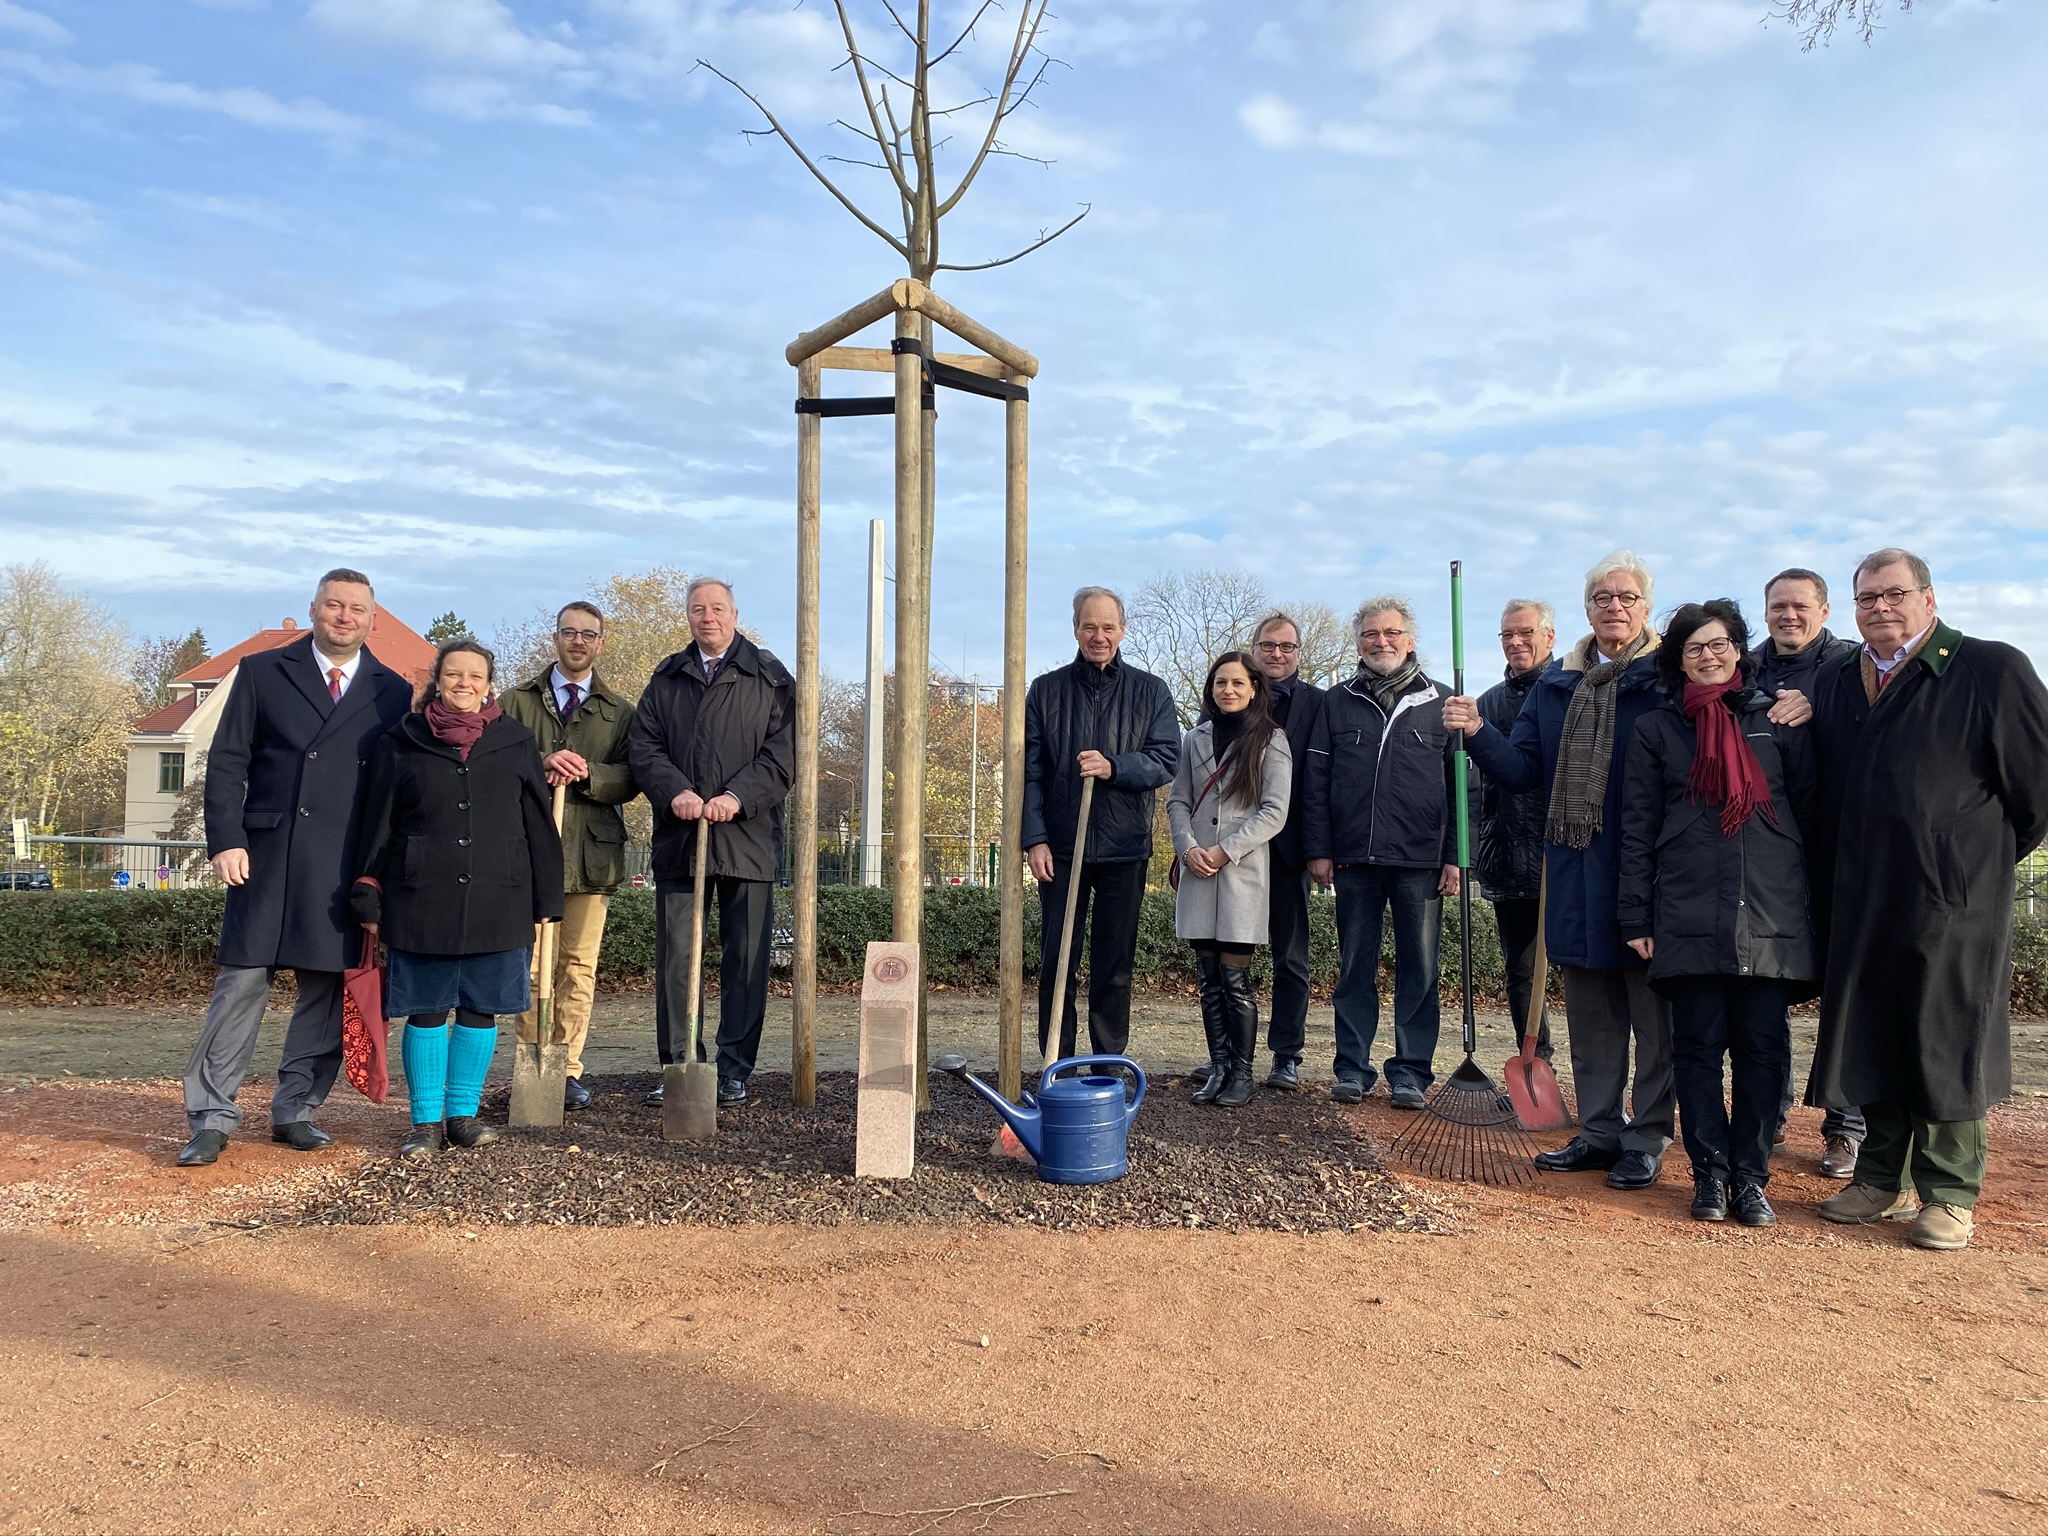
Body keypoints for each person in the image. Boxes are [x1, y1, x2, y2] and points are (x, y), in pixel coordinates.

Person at [1807, 549, 2048, 1251]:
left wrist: (1963, 860)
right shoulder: (1840, 681)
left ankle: (1949, 1193)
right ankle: (1879, 1179)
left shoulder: (1988, 669)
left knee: (1944, 1040)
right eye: (1866, 598)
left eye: (1893, 594)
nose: (1879, 607)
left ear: (1929, 599)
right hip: (1863, 894)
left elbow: (2035, 797)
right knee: (1873, 1034)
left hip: (1954, 902)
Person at [177, 568, 414, 1168]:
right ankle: (211, 1114)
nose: (344, 616)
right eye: (333, 604)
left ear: (372, 619)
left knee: (325, 991)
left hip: (341, 866)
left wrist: (379, 873)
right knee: (240, 985)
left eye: (356, 608)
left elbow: (393, 790)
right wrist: (225, 840)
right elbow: (228, 761)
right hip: (265, 856)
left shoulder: (391, 690)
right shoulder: (262, 672)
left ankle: (296, 1110)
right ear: (312, 609)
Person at [1618, 600, 1819, 1228]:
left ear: (1740, 648)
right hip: (1687, 908)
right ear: (1678, 659)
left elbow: (1809, 813)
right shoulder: (1658, 729)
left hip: (1768, 908)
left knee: (1763, 1049)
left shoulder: (1778, 720)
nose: (1710, 655)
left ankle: (1751, 1178)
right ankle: (1709, 1174)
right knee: (1698, 1048)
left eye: (1721, 643)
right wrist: (1636, 916)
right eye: (1695, 646)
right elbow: (1636, 827)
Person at [349, 640, 565, 1157]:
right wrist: (367, 889)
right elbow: (377, 823)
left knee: (480, 1011)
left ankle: (462, 1117)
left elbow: (538, 823)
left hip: (501, 898)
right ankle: (424, 1121)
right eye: (453, 674)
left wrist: (547, 898)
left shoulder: (516, 742)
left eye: (475, 675)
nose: (463, 683)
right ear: (437, 681)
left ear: (489, 684)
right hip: (420, 897)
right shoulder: (400, 742)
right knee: (425, 1010)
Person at [628, 578, 794, 1108]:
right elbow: (644, 744)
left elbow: (783, 755)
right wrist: (673, 789)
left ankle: (733, 1069)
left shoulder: (768, 677)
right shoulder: (667, 678)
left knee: (745, 959)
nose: (708, 618)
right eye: (698, 609)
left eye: (717, 608)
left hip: (748, 842)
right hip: (682, 840)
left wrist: (736, 796)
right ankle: (680, 1065)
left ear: (735, 614)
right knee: (679, 958)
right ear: (688, 617)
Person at [1302, 596, 1466, 1109]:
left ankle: (1411, 1072)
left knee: (1420, 967)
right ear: (1358, 643)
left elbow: (1464, 787)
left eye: (1391, 633)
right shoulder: (1337, 701)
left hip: (1421, 860)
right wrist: (1319, 849)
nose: (1381, 642)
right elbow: (1316, 781)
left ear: (1410, 640)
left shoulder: (1444, 702)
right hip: (1354, 858)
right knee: (1355, 967)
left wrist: (1456, 855)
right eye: (1371, 634)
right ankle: (1352, 1068)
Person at [1021, 586, 1179, 1061]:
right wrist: (1035, 838)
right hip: (1063, 849)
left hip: (1123, 847)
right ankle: (1057, 1059)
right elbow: (1031, 771)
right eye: (1089, 626)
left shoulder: (1150, 691)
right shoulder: (1046, 691)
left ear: (1122, 631)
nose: (1099, 636)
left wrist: (1114, 767)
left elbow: (1165, 759)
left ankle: (1106, 1064)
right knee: (1057, 959)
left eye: (1108, 627)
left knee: (1114, 965)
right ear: (1075, 630)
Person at [499, 601, 640, 1111]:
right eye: (569, 632)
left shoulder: (620, 712)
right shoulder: (515, 702)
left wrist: (590, 774)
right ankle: (531, 1058)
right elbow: (493, 762)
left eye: (588, 634)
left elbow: (633, 777)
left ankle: (568, 1066)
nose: (578, 641)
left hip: (590, 857)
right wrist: (540, 762)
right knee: (531, 967)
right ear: (555, 638)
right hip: (529, 854)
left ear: (601, 643)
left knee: (577, 967)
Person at [1750, 567, 1865, 1178]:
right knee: (1768, 992)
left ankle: (1846, 1127)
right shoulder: (1745, 668)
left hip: (1836, 851)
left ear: (1824, 611)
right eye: (1777, 606)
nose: (1787, 615)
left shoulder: (1849, 667)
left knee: (1844, 995)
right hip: (1768, 855)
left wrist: (1816, 703)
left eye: (1799, 606)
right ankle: (1765, 1120)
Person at [1167, 651, 1292, 1106]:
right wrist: (1188, 848)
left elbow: (1274, 811)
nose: (1229, 691)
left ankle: (1242, 1072)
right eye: (1221, 683)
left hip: (1240, 872)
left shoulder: (1271, 740)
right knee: (1207, 978)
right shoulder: (1195, 738)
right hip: (1199, 870)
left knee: (1235, 978)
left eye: (1238, 683)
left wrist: (1225, 850)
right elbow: (1177, 800)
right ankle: (1218, 1065)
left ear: (1254, 687)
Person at [1245, 611, 1326, 1091]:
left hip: (1290, 850)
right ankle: (1231, 1053)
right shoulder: (1231, 693)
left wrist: (1319, 847)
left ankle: (1286, 1055)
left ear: (1298, 652)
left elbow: (1321, 781)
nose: (1277, 654)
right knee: (1228, 956)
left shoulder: (1320, 704)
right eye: (1268, 646)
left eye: (1287, 647)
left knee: (1290, 958)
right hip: (1233, 852)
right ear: (1255, 648)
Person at [1475, 599, 1557, 1066]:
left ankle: (1598, 1081)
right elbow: (1472, 786)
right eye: (1507, 635)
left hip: (1561, 853)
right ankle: (1534, 1064)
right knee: (1522, 972)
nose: (1515, 642)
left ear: (1549, 636)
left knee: (1589, 974)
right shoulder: (1486, 703)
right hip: (1508, 853)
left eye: (1525, 632)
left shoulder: (1571, 691)